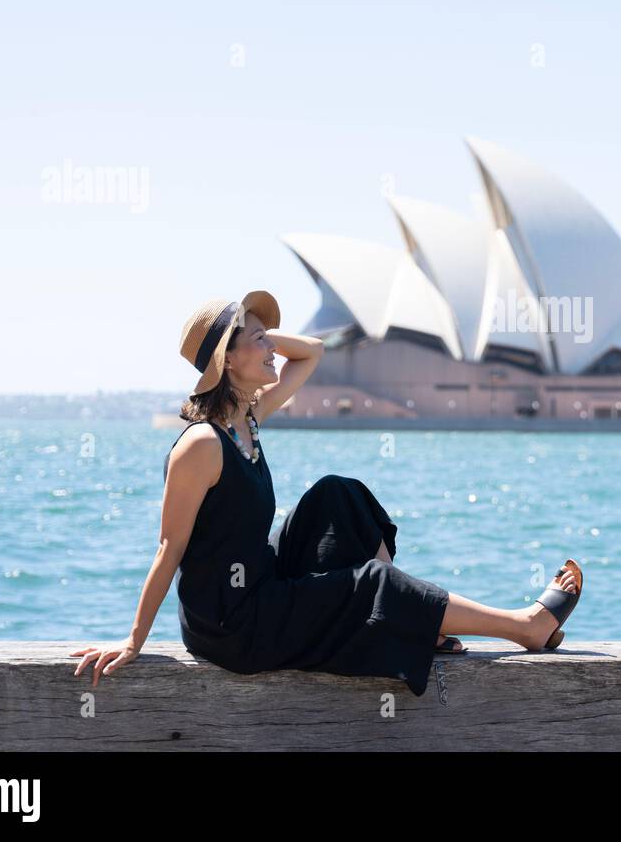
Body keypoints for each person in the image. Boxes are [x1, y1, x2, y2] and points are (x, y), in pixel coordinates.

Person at [71, 289, 583, 697]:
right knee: (372, 584)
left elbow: (310, 354)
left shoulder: (245, 421)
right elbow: (169, 548)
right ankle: (525, 627)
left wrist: (253, 332)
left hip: (260, 582)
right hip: (233, 624)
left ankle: (413, 625)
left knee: (340, 497)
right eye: (258, 341)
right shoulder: (202, 445)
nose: (272, 347)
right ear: (227, 363)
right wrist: (134, 639)